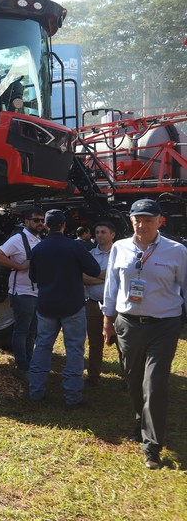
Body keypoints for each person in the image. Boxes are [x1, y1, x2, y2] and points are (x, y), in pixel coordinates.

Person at [102, 199, 187, 470]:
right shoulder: (120, 247)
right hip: (129, 324)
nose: (143, 224)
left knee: (155, 382)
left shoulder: (177, 251)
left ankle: (152, 445)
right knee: (133, 378)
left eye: (149, 219)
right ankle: (140, 419)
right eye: (138, 219)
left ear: (160, 221)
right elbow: (111, 285)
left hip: (164, 324)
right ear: (131, 221)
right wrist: (108, 320)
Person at [28, 209, 100, 406]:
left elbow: (33, 277)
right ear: (64, 225)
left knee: (42, 347)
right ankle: (72, 396)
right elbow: (93, 269)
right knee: (74, 349)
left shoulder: (38, 249)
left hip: (46, 304)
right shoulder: (74, 247)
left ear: (46, 225)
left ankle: (36, 391)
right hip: (72, 304)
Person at [0, 208, 46, 382]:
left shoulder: (39, 240)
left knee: (32, 331)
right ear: (27, 221)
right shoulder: (17, 239)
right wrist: (19, 267)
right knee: (22, 330)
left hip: (37, 293)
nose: (40, 223)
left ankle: (28, 363)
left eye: (42, 220)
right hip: (22, 293)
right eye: (36, 220)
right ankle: (22, 366)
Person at [82, 221, 116, 387]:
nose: (99, 235)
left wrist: (95, 277)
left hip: (116, 306)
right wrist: (107, 276)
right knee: (95, 343)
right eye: (97, 232)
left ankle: (128, 381)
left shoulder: (119, 253)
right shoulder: (89, 255)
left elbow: (121, 277)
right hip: (93, 304)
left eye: (103, 232)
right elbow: (83, 278)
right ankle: (93, 378)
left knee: (123, 344)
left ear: (112, 235)